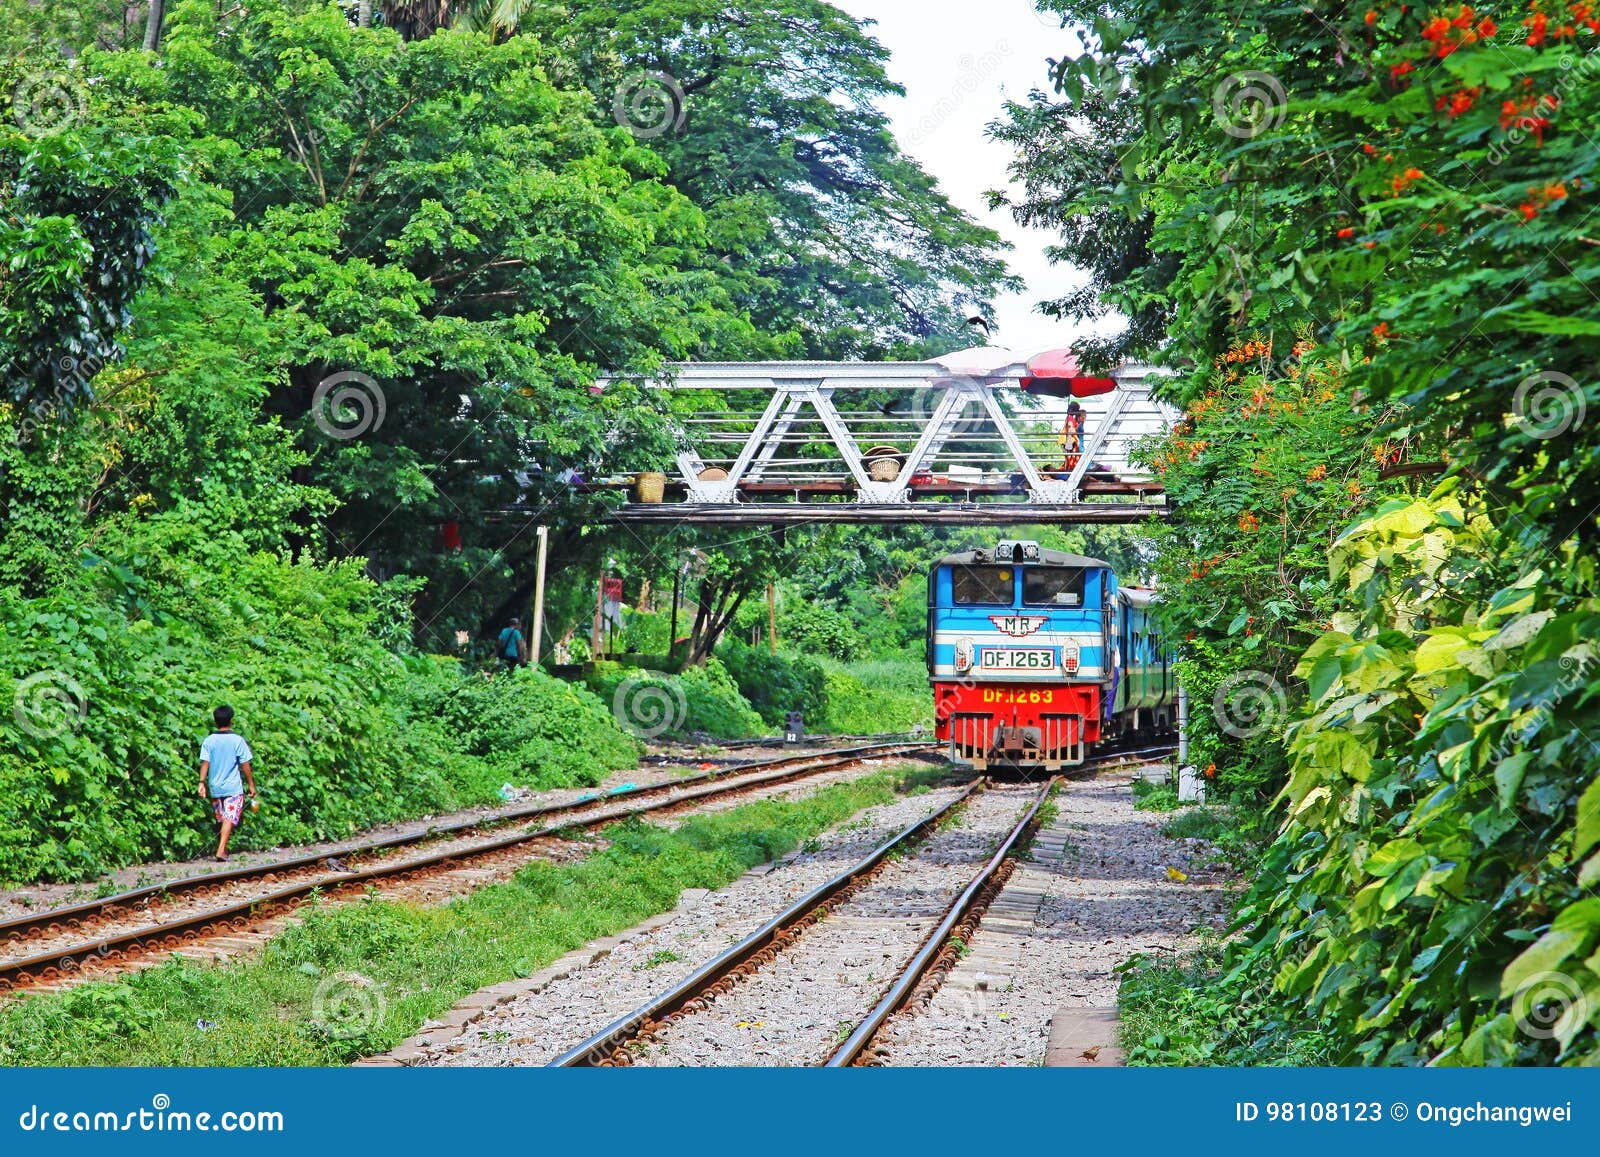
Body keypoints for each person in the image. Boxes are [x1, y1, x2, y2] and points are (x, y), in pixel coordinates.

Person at [198, 705, 255, 862]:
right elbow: (245, 764)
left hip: (215, 787)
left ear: (215, 721)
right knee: (229, 818)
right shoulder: (237, 740)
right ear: (231, 720)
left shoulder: (209, 740)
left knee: (224, 818)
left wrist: (201, 782)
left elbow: (205, 762)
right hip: (233, 787)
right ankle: (221, 850)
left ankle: (223, 848)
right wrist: (251, 784)